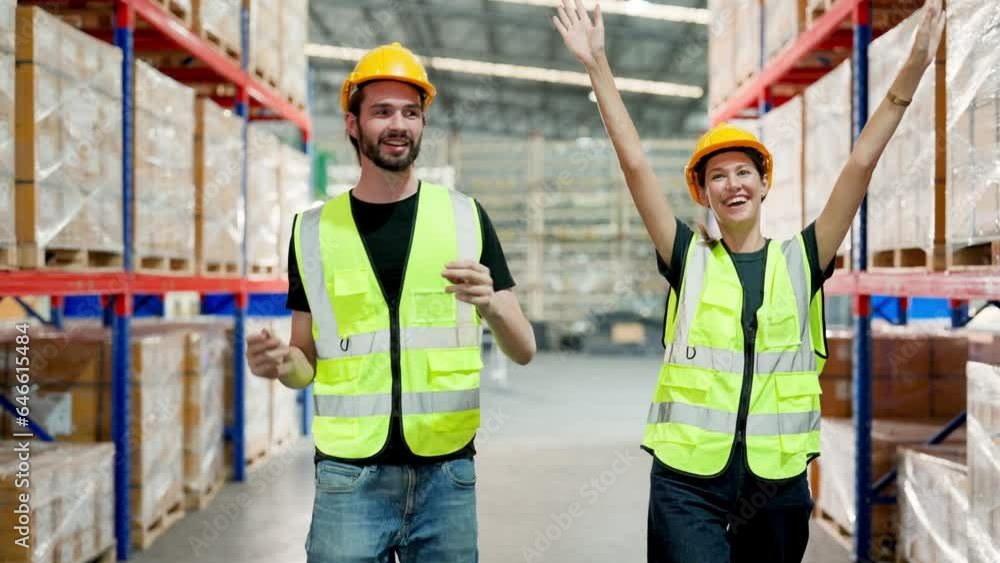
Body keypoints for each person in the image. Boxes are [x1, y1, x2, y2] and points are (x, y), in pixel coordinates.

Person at [552, 0, 945, 561]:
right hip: (688, 481)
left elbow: (860, 164)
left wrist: (914, 67)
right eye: (717, 176)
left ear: (763, 184)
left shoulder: (802, 258)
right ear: (703, 193)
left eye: (743, 172)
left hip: (775, 485)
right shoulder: (687, 257)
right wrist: (597, 65)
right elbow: (634, 162)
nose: (732, 184)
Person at [245, 42, 536, 563]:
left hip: (447, 474)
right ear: (353, 124)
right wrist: (280, 364)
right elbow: (304, 361)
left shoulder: (465, 217)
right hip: (349, 477)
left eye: (411, 113)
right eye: (381, 112)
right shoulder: (311, 232)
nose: (398, 124)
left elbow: (524, 349)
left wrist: (491, 304)